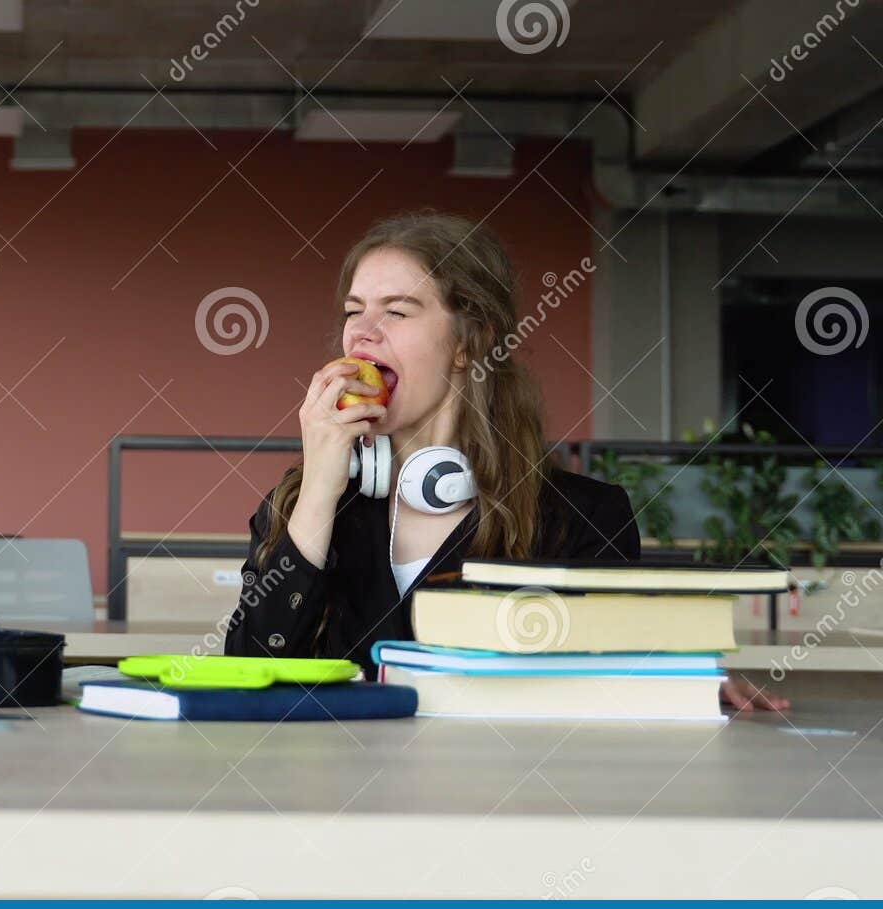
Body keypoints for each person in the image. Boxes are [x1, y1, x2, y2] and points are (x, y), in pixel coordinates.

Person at [222, 211, 787, 712]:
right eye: (354, 311)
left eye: (397, 312)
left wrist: (672, 678)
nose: (363, 332)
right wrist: (321, 483)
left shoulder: (582, 518)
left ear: (470, 343)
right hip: (337, 808)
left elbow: (599, 677)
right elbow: (246, 670)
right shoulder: (303, 506)